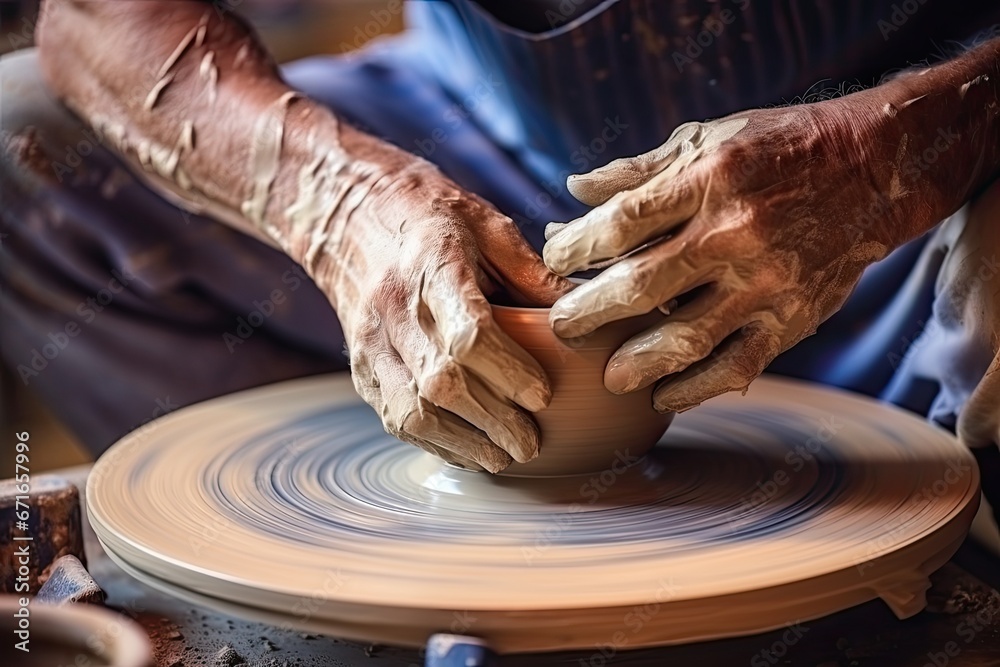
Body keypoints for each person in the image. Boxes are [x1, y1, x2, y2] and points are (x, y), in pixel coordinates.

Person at [1, 1, 998, 489]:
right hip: (485, 141)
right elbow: (92, 17)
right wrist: (336, 201)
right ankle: (350, 554)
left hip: (928, 171)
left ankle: (906, 575)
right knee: (23, 148)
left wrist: (884, 157)